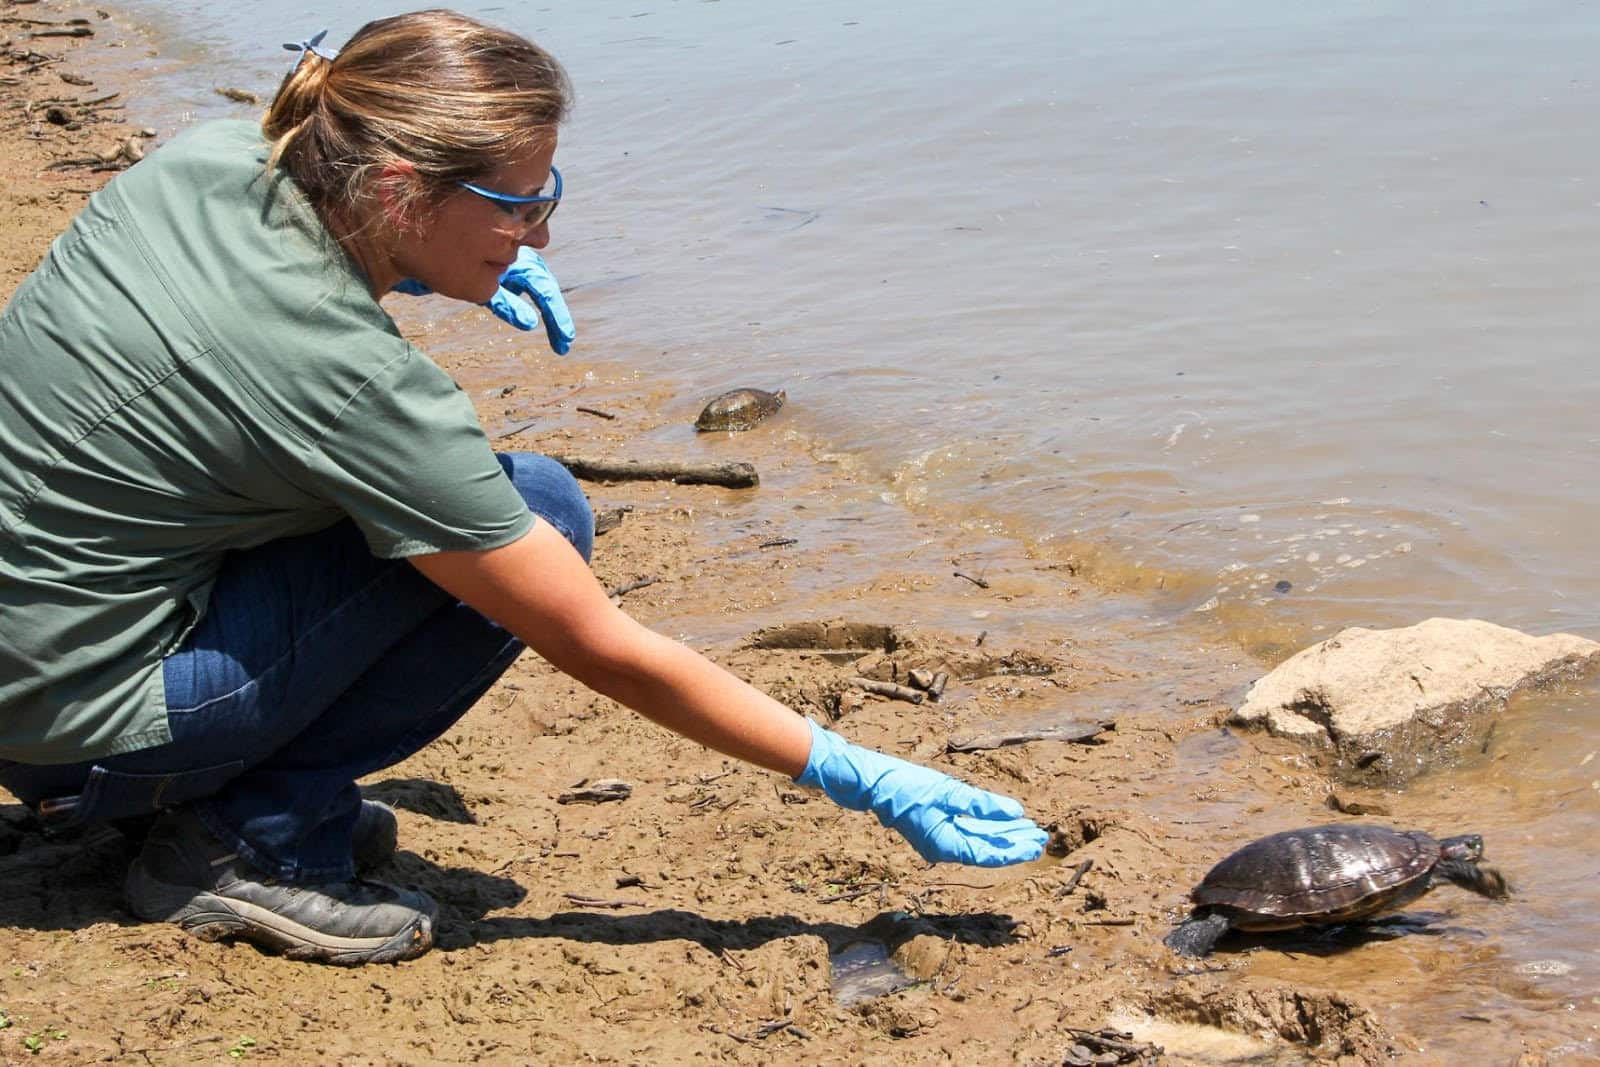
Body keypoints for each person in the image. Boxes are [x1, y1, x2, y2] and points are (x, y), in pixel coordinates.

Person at [0, 10, 1047, 966]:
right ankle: (241, 844)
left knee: (393, 517)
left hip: (33, 650)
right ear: (400, 188)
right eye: (517, 204)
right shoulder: (355, 383)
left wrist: (409, 267)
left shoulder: (213, 158)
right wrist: (853, 769)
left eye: (547, 196)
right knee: (540, 506)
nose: (541, 234)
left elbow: (235, 377)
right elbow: (599, 645)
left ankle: (201, 789)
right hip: (71, 725)